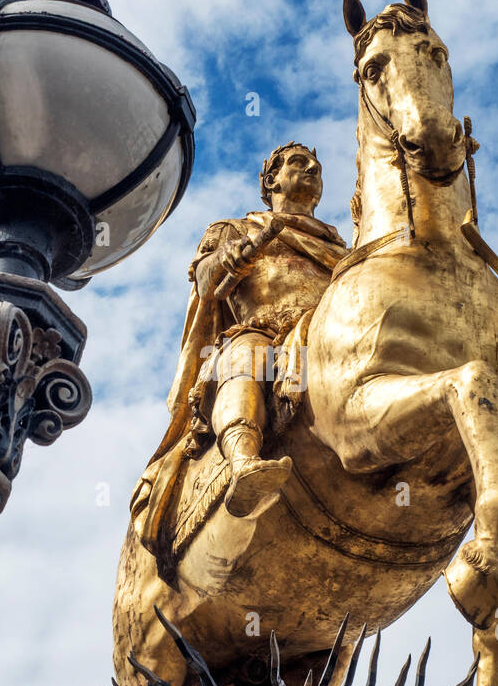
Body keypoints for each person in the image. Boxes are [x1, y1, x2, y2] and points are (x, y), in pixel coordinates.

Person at [131, 142, 347, 567]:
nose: (313, 167)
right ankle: (244, 460)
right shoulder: (236, 228)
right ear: (271, 180)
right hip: (264, 330)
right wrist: (230, 258)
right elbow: (207, 281)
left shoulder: (342, 251)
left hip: (327, 336)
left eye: (316, 164)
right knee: (247, 355)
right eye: (298, 163)